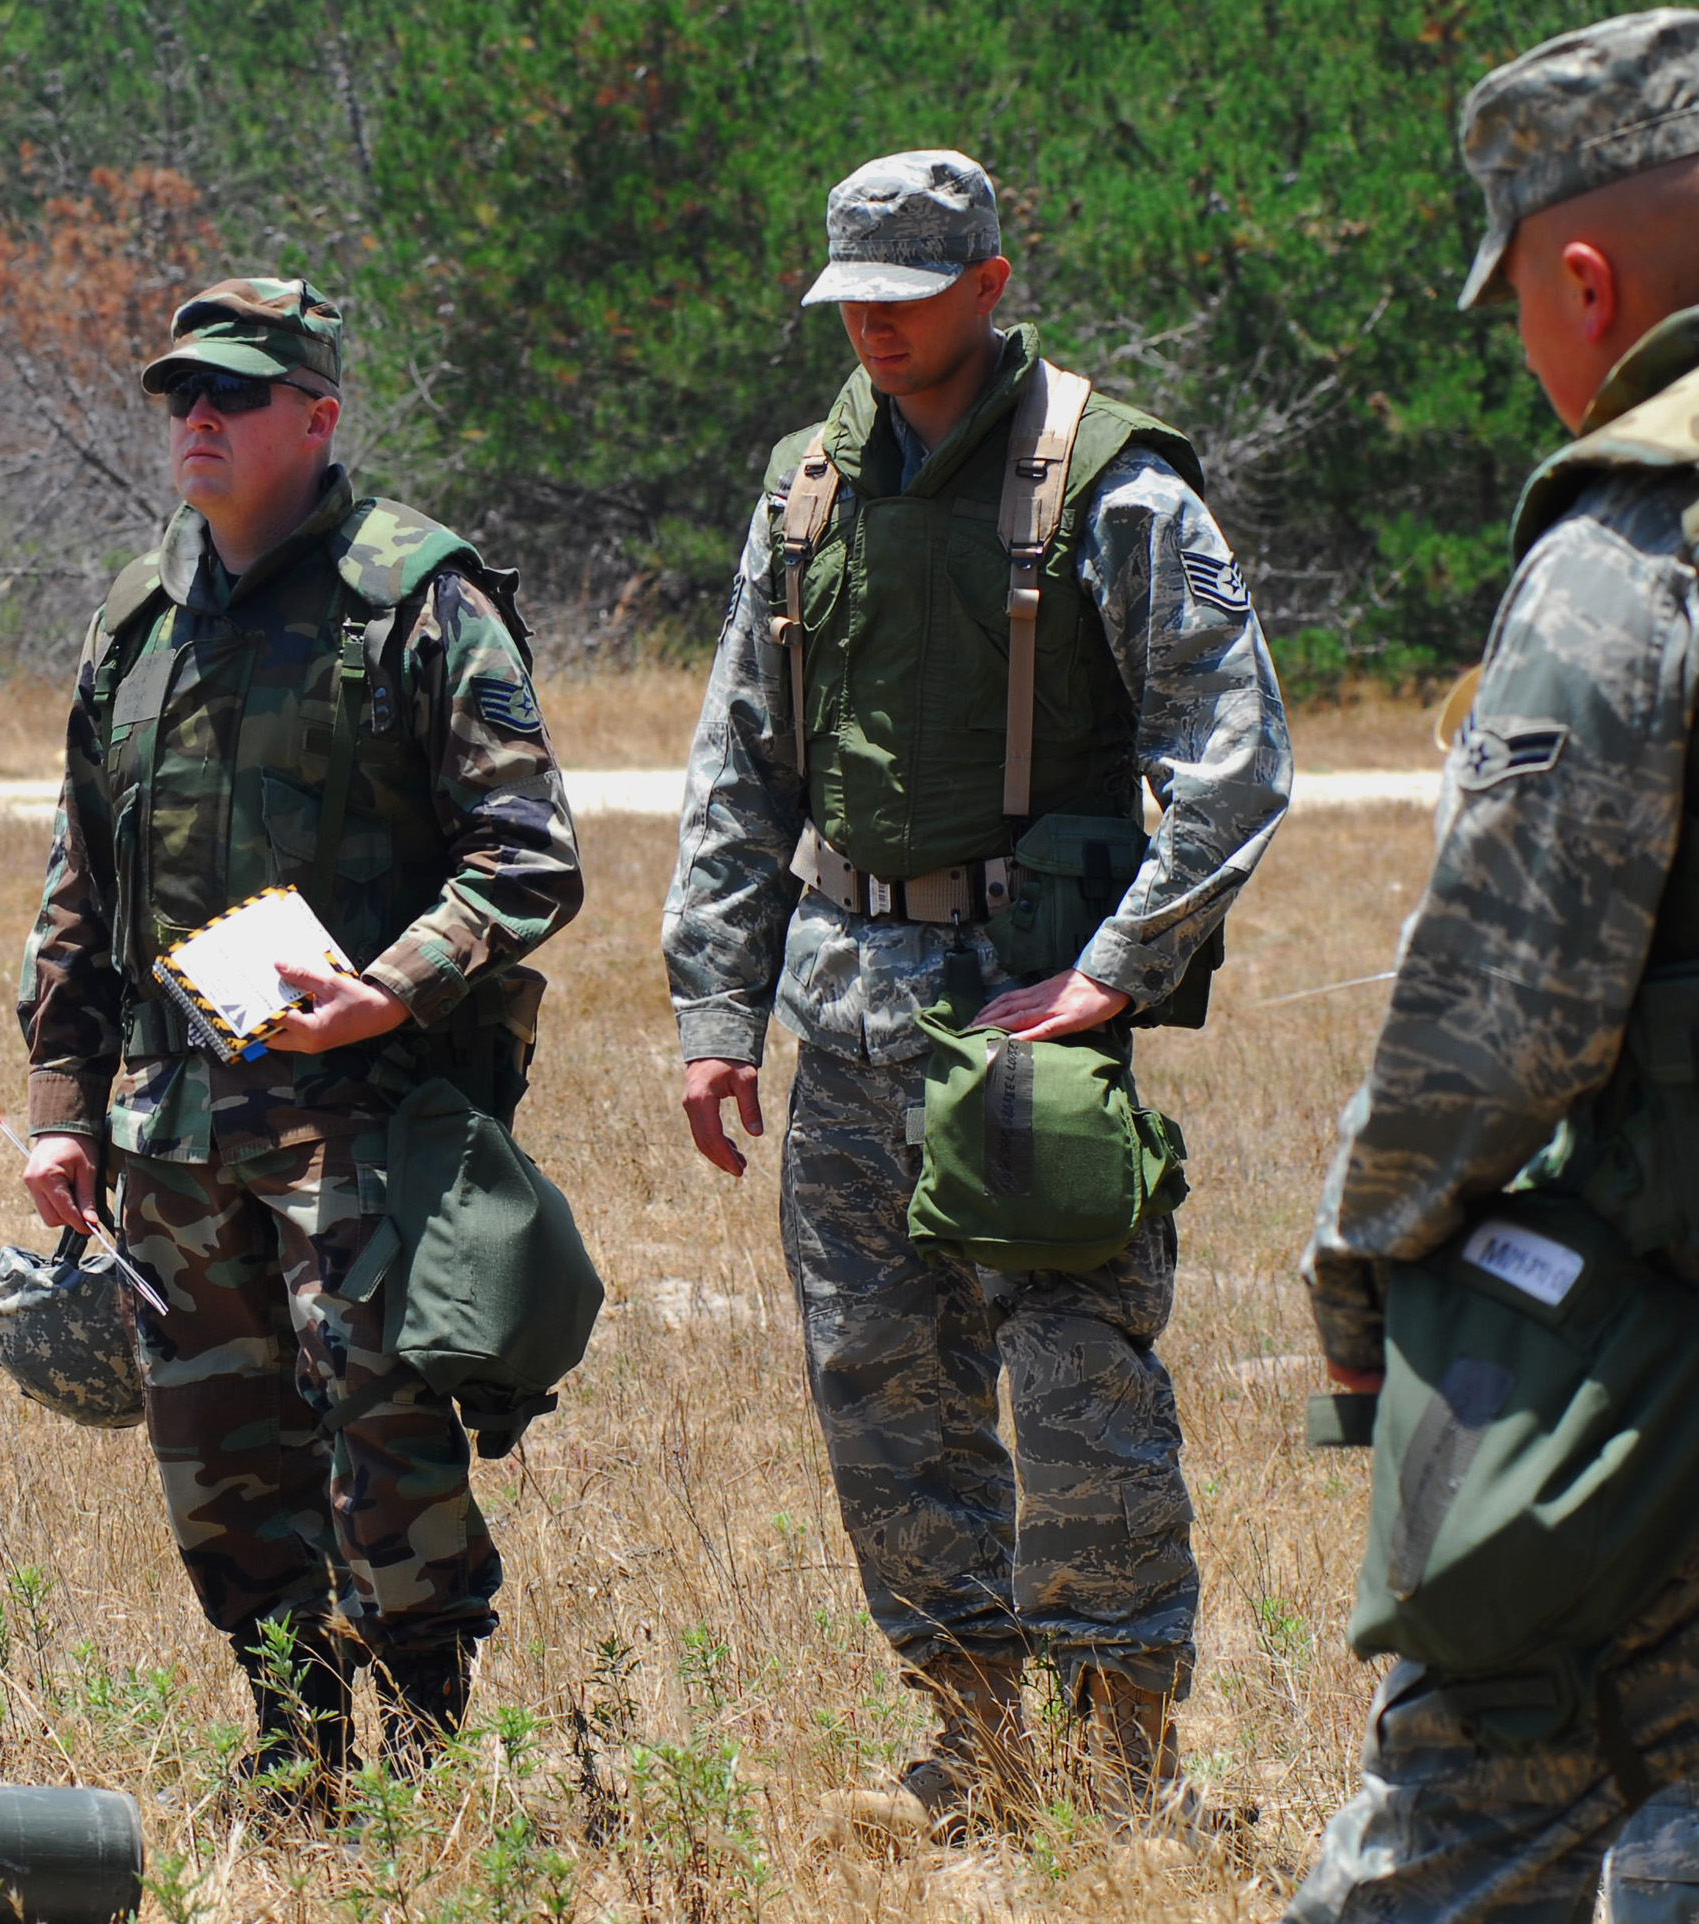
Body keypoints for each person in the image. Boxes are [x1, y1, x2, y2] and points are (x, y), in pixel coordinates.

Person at [662, 150, 1292, 1832]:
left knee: (1081, 1392)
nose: (871, 323)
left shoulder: (1111, 483)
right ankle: (976, 1755)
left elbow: (1234, 763)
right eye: (849, 295)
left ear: (991, 283)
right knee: (886, 1401)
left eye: (908, 291)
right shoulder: (803, 489)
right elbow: (741, 773)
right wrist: (715, 1013)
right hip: (843, 1018)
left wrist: (1113, 969)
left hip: (1029, 1031)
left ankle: (1126, 1772)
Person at [17, 278, 581, 1807]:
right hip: (172, 1132)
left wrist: (396, 983)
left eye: (234, 395)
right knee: (223, 1465)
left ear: (316, 418)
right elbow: (82, 889)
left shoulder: (416, 600)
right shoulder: (135, 625)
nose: (196, 420)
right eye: (179, 397)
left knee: (384, 1438)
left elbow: (526, 857)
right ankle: (295, 1752)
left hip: (366, 1114)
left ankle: (426, 1754)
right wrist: (62, 1105)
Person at [1289, 14, 1699, 1919]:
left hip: (1661, 1381)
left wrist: (1363, 1244)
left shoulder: (1635, 554)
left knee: (1465, 1834)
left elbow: (1497, 1022)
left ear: (1586, 279)